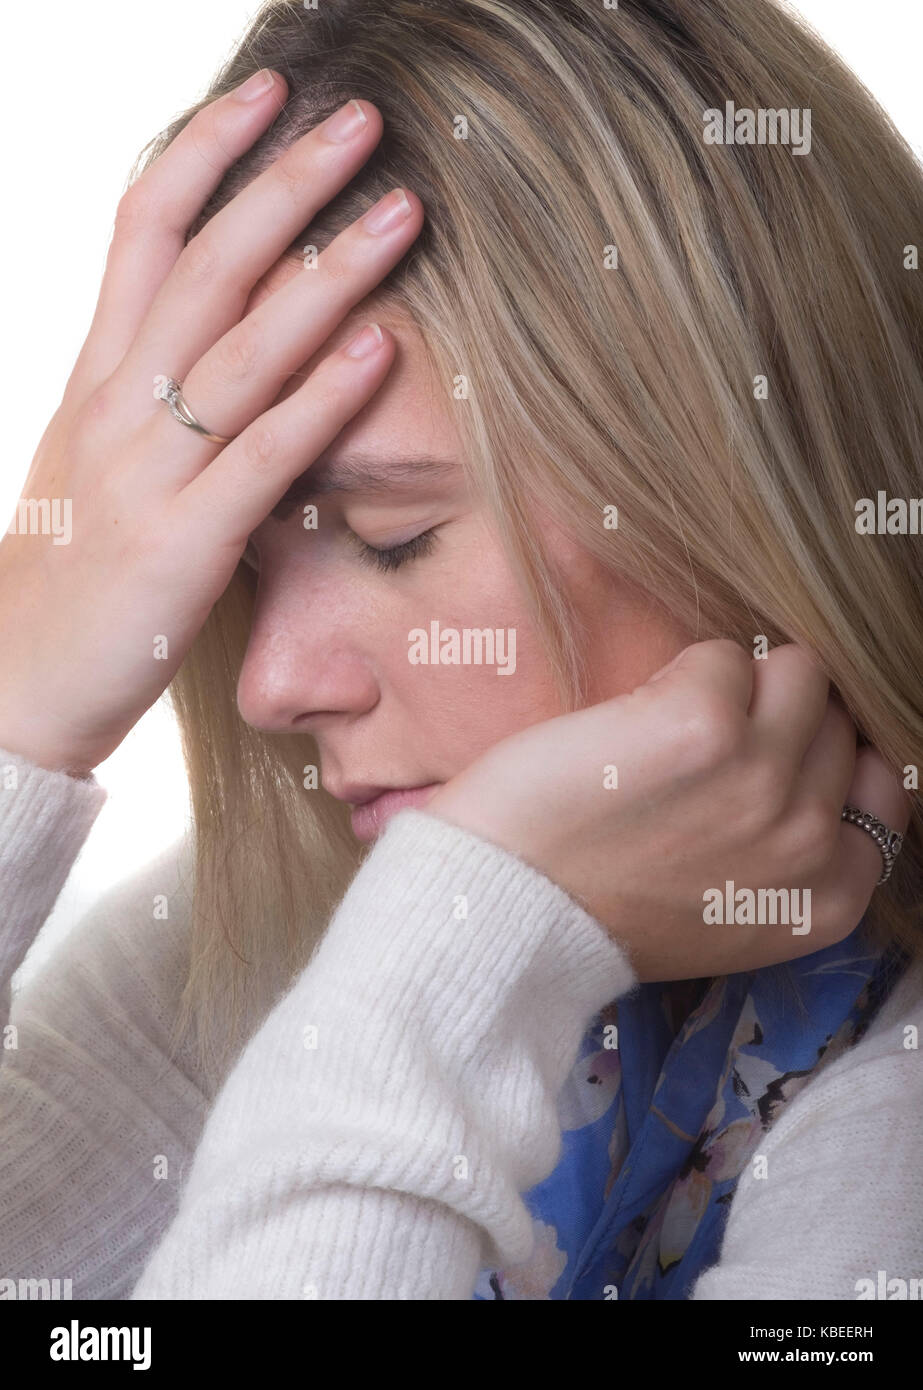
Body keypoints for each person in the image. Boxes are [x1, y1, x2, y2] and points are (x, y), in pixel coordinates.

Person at [0, 0, 920, 1301]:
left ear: (746, 503)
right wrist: (17, 717)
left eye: (390, 537)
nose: (267, 685)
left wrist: (471, 933)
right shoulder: (252, 929)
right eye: (241, 564)